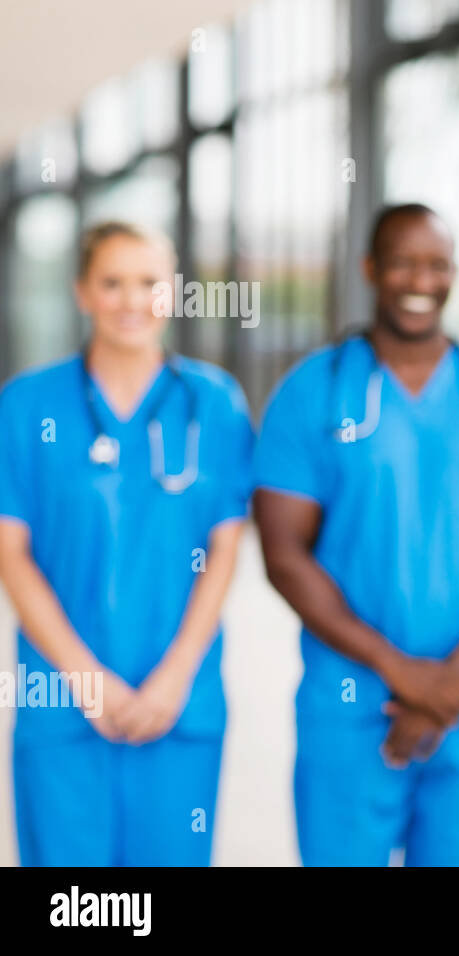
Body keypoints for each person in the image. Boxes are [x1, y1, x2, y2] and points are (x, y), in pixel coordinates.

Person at [253, 203, 459, 867]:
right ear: (370, 270)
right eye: (402, 262)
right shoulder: (313, 393)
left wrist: (451, 679)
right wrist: (402, 673)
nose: (421, 279)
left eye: (437, 264)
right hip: (349, 703)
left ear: (454, 274)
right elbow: (283, 556)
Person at [0, 221, 253, 866]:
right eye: (112, 282)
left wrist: (172, 681)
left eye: (149, 282)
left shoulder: (214, 403)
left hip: (177, 701)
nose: (131, 300)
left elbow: (223, 550)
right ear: (82, 292)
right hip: (60, 701)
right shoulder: (27, 406)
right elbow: (11, 552)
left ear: (172, 292)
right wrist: (87, 682)